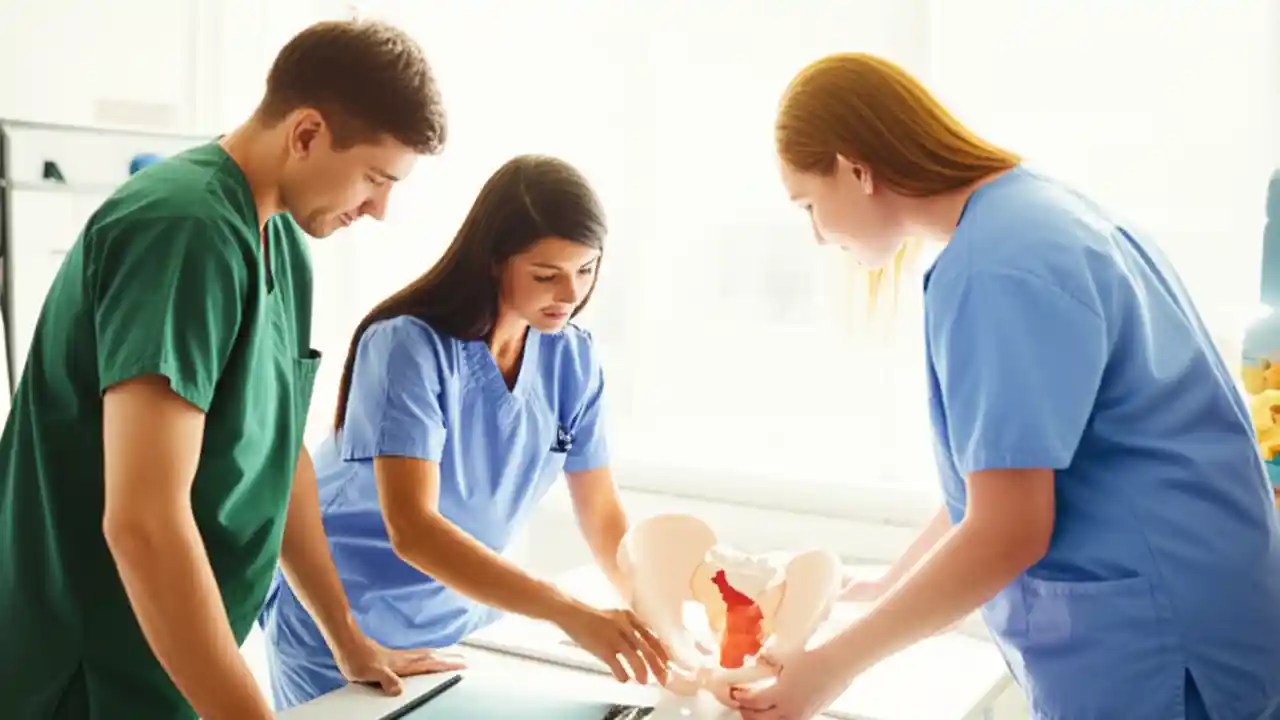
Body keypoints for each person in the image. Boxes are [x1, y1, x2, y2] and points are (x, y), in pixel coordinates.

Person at [733, 52, 1280, 720]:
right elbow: (997, 477)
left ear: (854, 168)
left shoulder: (996, 267)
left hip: (1160, 648)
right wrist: (884, 586)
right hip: (1200, 609)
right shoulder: (1031, 215)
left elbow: (1009, 527)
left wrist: (829, 669)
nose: (817, 235)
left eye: (809, 205)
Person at [0, 19, 460, 720]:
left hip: (168, 665)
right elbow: (143, 522)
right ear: (306, 133)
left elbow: (280, 463)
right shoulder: (182, 230)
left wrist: (347, 639)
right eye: (374, 177)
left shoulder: (280, 239)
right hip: (86, 670)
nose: (379, 209)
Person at [258, 154, 671, 710]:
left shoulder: (572, 356)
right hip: (351, 622)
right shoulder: (407, 346)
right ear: (495, 262)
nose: (570, 295)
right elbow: (414, 529)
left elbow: (601, 513)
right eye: (546, 275)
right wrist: (570, 613)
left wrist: (656, 618)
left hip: (461, 621)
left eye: (587, 270)